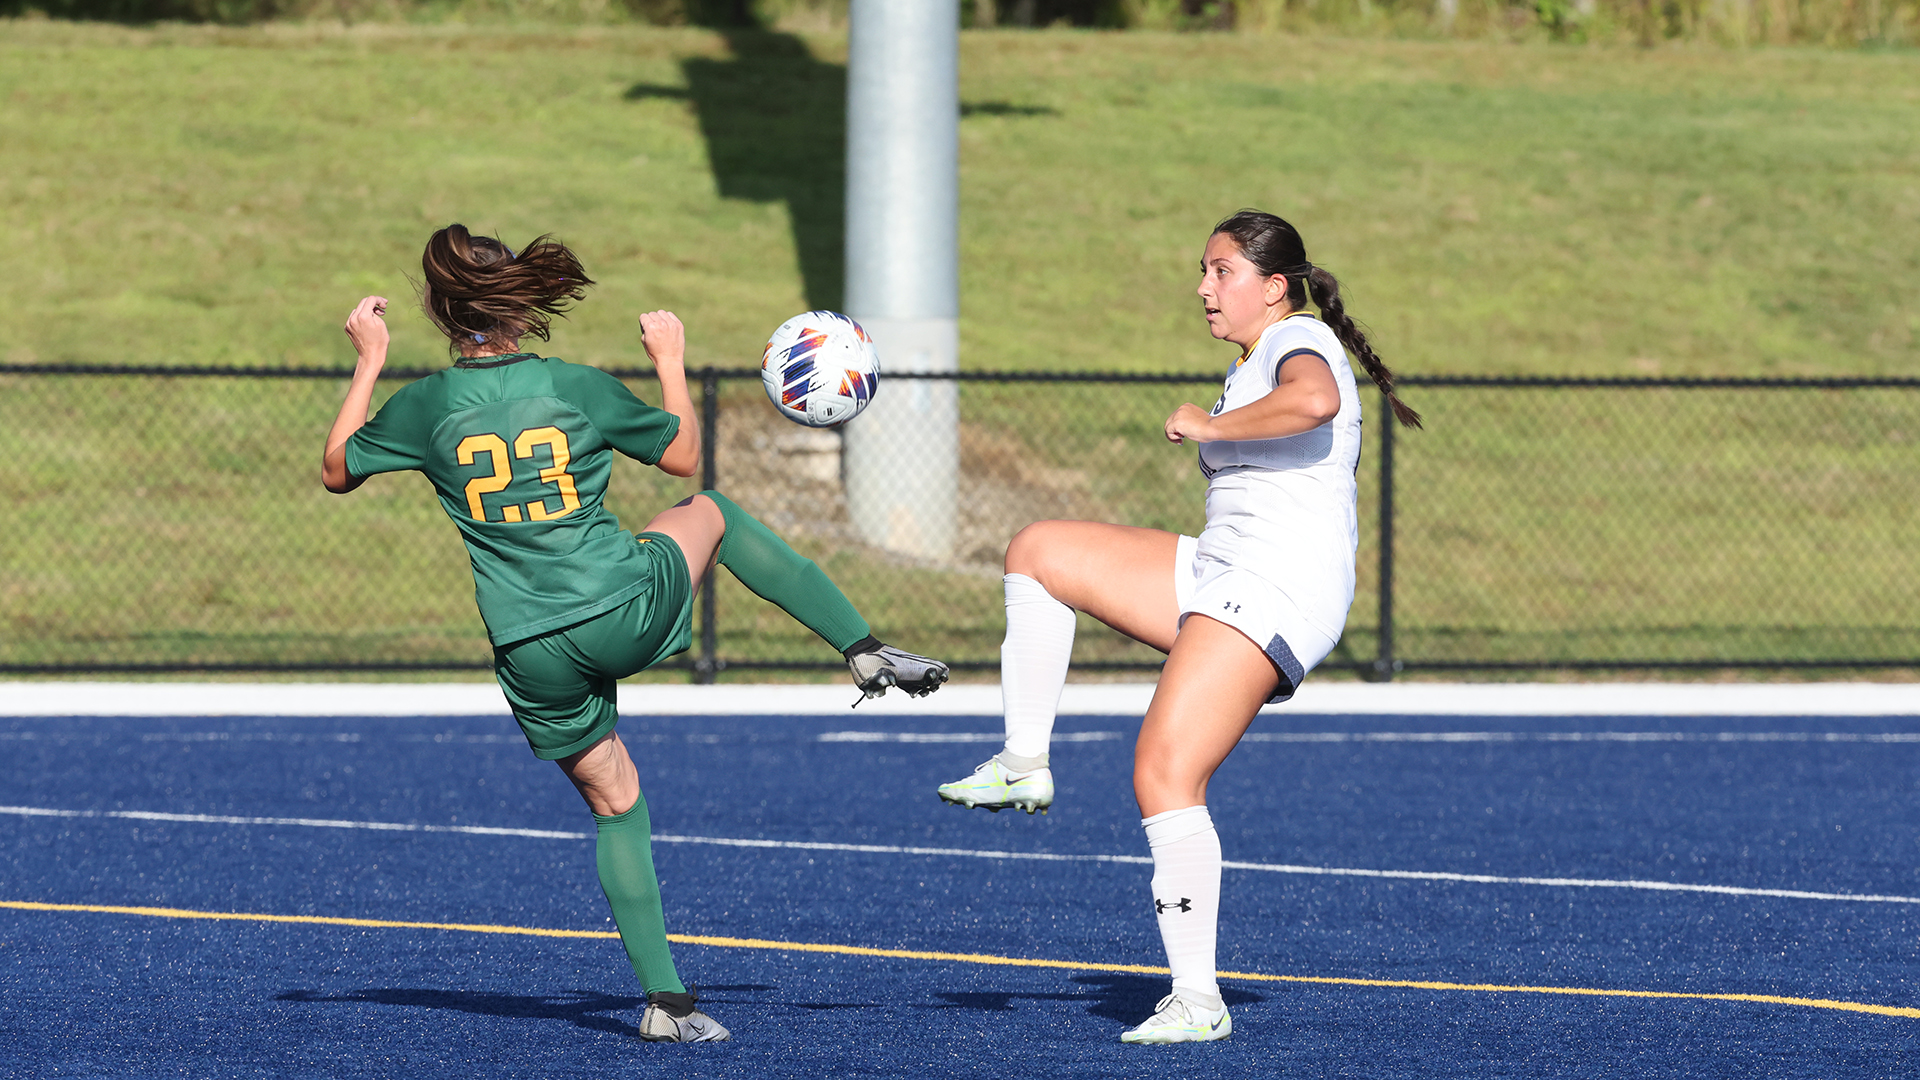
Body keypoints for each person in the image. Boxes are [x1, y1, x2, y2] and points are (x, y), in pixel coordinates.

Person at [322, 224, 949, 1043]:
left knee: (617, 807)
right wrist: (668, 361)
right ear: (517, 307)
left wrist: (370, 358)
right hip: (623, 606)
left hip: (531, 649)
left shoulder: (422, 406)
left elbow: (336, 469)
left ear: (443, 315)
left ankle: (668, 1004)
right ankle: (864, 648)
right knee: (710, 512)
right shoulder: (574, 386)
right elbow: (684, 455)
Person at [936, 209, 1420, 1044]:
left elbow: (1315, 399)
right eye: (1203, 270)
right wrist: (1222, 418)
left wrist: (1211, 425)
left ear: (1273, 287)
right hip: (1222, 571)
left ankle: (1198, 1001)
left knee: (1164, 773)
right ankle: (1023, 761)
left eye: (1221, 271)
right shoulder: (1252, 357)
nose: (1203, 287)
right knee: (1040, 549)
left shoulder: (1295, 342)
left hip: (1274, 587)